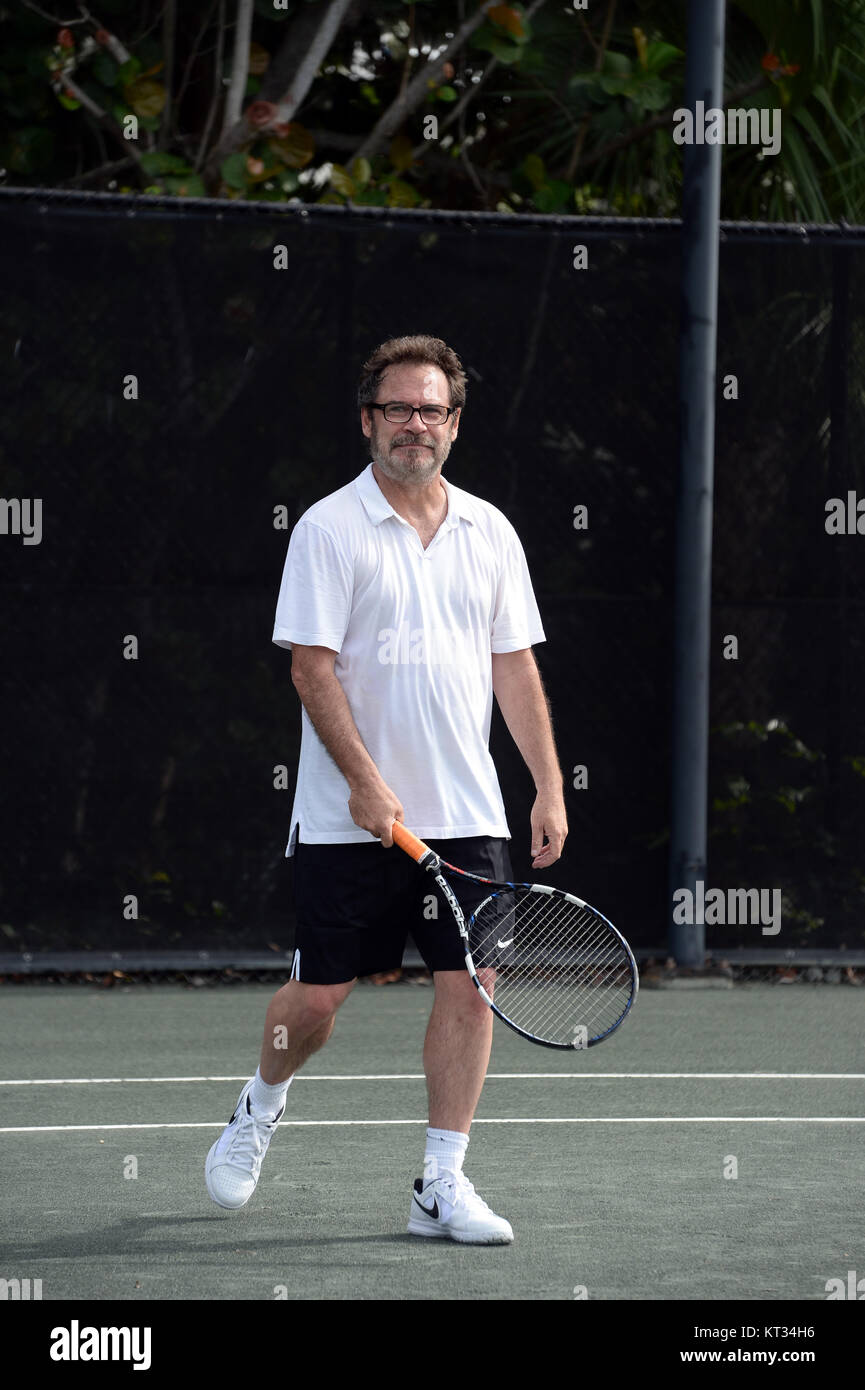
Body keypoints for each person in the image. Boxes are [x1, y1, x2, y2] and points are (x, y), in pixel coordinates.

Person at [206, 335, 567, 1244]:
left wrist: (546, 786)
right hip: (344, 820)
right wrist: (364, 785)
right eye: (400, 409)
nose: (417, 424)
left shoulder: (491, 531)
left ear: (453, 423)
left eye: (433, 409)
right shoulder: (328, 529)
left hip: (467, 817)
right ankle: (261, 1103)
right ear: (369, 422)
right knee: (319, 999)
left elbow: (514, 667)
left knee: (469, 987)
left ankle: (440, 1185)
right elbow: (312, 671)